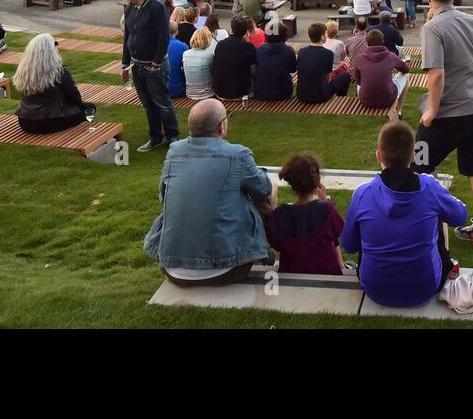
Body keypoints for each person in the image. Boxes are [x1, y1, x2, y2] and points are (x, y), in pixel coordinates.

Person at [144, 99, 277, 287]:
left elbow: (163, 196)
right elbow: (264, 189)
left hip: (172, 267)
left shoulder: (174, 152)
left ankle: (258, 254)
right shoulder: (238, 155)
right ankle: (262, 254)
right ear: (221, 126)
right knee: (267, 192)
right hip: (227, 269)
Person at [341, 120, 469, 307]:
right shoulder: (430, 187)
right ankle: (447, 260)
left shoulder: (362, 193)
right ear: (414, 156)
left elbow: (349, 244)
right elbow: (459, 216)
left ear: (379, 156)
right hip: (425, 286)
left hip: (374, 287)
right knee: (439, 212)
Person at [416, 0, 473, 249]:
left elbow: (436, 75)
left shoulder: (433, 28)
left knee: (418, 163)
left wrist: (431, 111)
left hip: (449, 111)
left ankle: (423, 223)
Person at [120, 0, 178, 152]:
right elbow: (128, 36)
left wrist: (156, 63)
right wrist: (124, 64)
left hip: (155, 66)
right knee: (147, 103)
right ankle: (155, 137)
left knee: (161, 101)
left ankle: (172, 136)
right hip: (137, 65)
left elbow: (163, 37)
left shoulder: (157, 8)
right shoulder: (129, 8)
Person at [264, 153, 347, 275]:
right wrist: (325, 201)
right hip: (326, 274)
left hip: (291, 273)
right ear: (317, 181)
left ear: (291, 184)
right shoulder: (326, 209)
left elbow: (275, 243)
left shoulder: (279, 214)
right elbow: (338, 230)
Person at [13, 34, 95, 133]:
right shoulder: (59, 71)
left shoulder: (24, 71)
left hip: (25, 121)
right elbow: (75, 98)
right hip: (52, 121)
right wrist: (82, 108)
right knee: (90, 107)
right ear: (51, 51)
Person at [353, 28, 411, 109]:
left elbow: (358, 81)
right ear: (383, 42)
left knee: (362, 82)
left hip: (365, 100)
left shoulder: (359, 58)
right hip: (388, 99)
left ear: (367, 43)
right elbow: (406, 69)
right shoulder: (391, 56)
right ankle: (399, 110)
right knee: (406, 75)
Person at [295, 22, 352, 103]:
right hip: (320, 96)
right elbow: (328, 79)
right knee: (346, 75)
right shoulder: (328, 53)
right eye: (325, 33)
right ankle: (341, 98)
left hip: (301, 95)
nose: (327, 35)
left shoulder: (302, 51)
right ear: (322, 37)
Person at [212, 15, 259, 100]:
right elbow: (254, 71)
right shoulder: (248, 46)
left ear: (231, 29)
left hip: (220, 91)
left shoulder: (220, 44)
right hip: (241, 92)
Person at [254, 21, 298, 101]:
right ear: (284, 35)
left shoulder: (259, 49)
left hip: (261, 92)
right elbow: (293, 69)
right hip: (283, 93)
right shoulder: (288, 50)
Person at [182, 25, 217, 100]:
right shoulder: (209, 55)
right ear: (207, 40)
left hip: (189, 93)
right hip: (207, 93)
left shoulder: (185, 54)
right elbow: (214, 74)